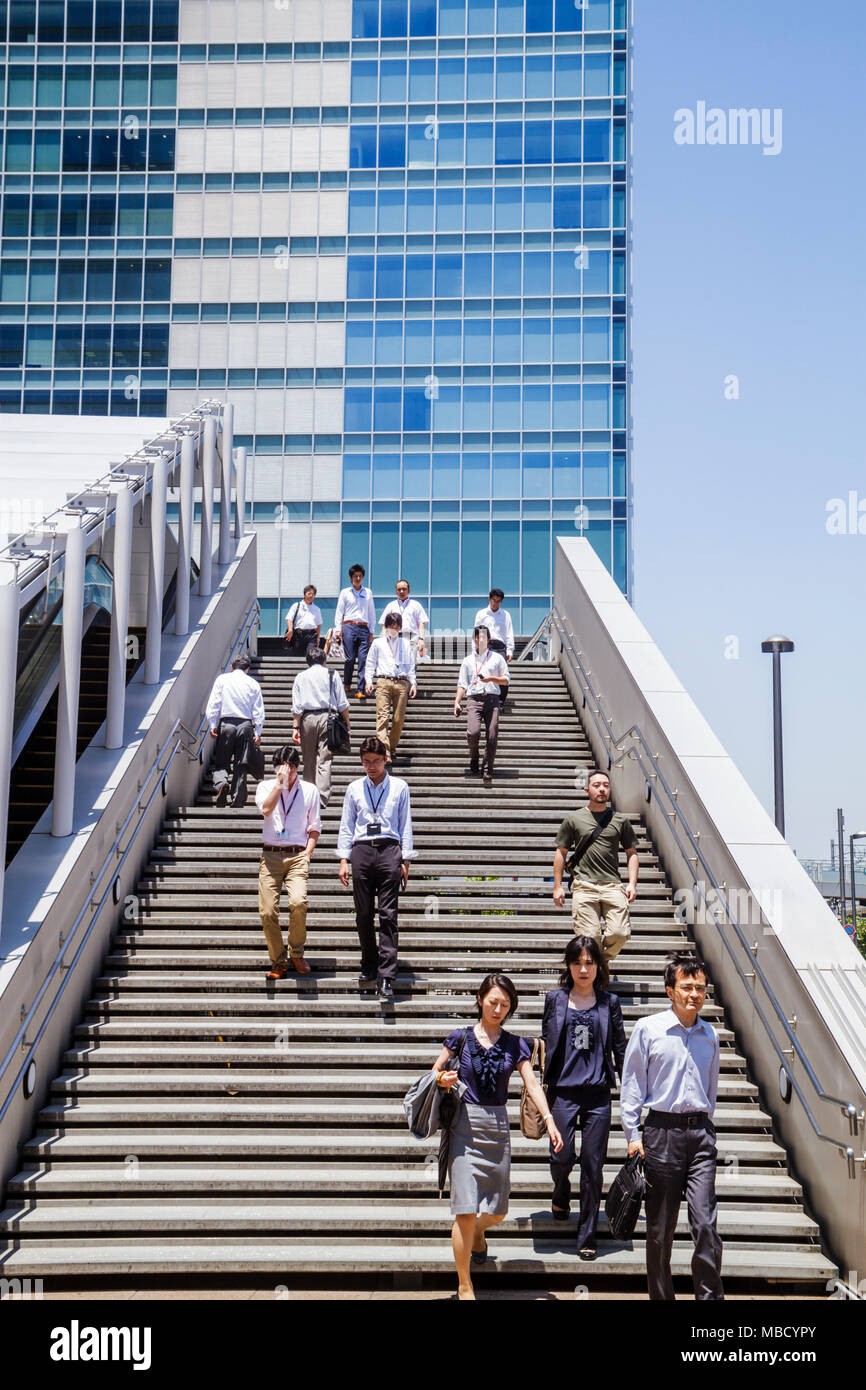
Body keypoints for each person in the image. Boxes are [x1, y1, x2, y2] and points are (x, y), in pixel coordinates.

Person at [432, 974, 563, 1301]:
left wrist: (550, 1119)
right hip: (464, 1124)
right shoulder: (459, 1038)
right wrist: (444, 1079)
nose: (498, 1009)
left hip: (497, 1127)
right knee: (464, 1208)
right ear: (480, 1000)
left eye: (505, 1004)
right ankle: (465, 1285)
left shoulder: (515, 1043)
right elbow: (434, 1074)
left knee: (498, 1211)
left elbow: (532, 1084)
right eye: (493, 1002)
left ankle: (479, 1231)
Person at [620, 951, 723, 1301]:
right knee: (660, 1231)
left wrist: (707, 1128)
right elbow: (632, 1084)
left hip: (700, 1138)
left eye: (701, 988)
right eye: (687, 987)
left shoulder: (710, 1034)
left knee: (706, 1225)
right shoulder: (649, 1029)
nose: (694, 994)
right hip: (660, 1134)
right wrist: (633, 1136)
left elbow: (711, 1088)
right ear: (670, 990)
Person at [542, 936, 626, 1259]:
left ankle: (587, 1235)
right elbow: (548, 1043)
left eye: (590, 962)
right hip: (563, 1092)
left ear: (598, 967)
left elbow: (620, 1047)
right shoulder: (555, 999)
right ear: (569, 965)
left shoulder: (609, 1003)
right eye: (577, 962)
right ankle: (561, 1190)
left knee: (593, 1165)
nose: (583, 968)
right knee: (561, 1157)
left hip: (598, 1095)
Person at [337, 736, 416, 1000]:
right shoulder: (354, 788)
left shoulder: (399, 787)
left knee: (388, 915)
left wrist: (406, 860)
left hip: (389, 849)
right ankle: (368, 964)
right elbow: (347, 825)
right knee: (362, 914)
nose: (371, 766)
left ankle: (386, 976)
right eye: (366, 762)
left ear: (386, 759)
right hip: (361, 849)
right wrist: (343, 860)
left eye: (376, 761)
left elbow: (405, 825)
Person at [552, 769, 639, 961]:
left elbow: (631, 853)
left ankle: (599, 964)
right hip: (584, 886)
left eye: (606, 786)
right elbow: (561, 852)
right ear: (586, 790)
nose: (602, 789)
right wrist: (557, 886)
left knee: (620, 933)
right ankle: (597, 971)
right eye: (596, 785)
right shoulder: (573, 819)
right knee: (589, 938)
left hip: (613, 886)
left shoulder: (620, 820)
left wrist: (632, 883)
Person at [255, 745, 321, 979]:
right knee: (267, 912)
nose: (286, 772)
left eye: (291, 768)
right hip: (271, 854)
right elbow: (266, 809)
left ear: (298, 767)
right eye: (281, 768)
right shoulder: (265, 786)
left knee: (298, 902)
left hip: (297, 855)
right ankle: (278, 960)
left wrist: (307, 854)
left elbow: (314, 827)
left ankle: (297, 952)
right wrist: (278, 784)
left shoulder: (310, 790)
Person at [291, 644, 350, 808]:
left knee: (308, 759)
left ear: (308, 661)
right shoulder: (332, 674)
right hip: (328, 718)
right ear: (324, 660)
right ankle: (322, 798)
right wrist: (347, 724)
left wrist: (295, 727)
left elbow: (297, 706)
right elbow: (342, 703)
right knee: (325, 759)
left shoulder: (300, 676)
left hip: (307, 718)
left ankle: (308, 797)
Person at [206, 654, 264, 808]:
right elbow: (258, 710)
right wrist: (258, 732)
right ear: (248, 669)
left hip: (226, 725)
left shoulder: (222, 680)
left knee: (221, 762)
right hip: (245, 725)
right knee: (241, 763)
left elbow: (214, 703)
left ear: (231, 667)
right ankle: (237, 799)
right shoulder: (252, 683)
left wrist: (213, 724)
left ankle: (221, 783)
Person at [454, 627, 509, 784]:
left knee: (492, 735)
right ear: (475, 639)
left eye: (485, 637)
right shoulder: (467, 661)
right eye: (479, 637)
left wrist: (491, 678)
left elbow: (506, 680)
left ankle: (487, 768)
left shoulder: (498, 658)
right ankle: (474, 757)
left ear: (489, 639)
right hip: (474, 699)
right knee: (473, 733)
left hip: (492, 699)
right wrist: (457, 702)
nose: (482, 640)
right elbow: (462, 684)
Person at [365, 611, 417, 763]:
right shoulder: (378, 643)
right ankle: (385, 751)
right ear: (386, 627)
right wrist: (369, 681)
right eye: (391, 626)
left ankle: (391, 746)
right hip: (383, 681)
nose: (393, 629)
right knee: (382, 718)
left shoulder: (405, 643)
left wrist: (413, 683)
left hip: (401, 682)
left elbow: (410, 665)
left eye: (396, 626)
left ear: (400, 628)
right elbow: (370, 663)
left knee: (398, 719)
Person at [334, 563, 376, 699]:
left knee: (363, 659)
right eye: (355, 576)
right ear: (351, 578)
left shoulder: (368, 592)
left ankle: (360, 689)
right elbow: (339, 611)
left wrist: (371, 630)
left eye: (360, 576)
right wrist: (337, 629)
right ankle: (347, 682)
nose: (357, 578)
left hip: (364, 627)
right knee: (350, 658)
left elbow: (371, 612)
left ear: (362, 577)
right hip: (349, 626)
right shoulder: (345, 592)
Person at [473, 588, 514, 707]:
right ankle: (482, 698)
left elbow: (509, 633)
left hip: (501, 646)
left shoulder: (506, 615)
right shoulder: (481, 614)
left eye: (498, 601)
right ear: (489, 599)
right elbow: (476, 632)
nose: (495, 603)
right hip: (485, 645)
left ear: (501, 602)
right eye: (493, 600)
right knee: (484, 671)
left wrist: (510, 650)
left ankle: (501, 700)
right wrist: (475, 650)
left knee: (502, 673)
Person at [379, 579, 429, 664]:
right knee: (394, 662)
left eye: (404, 589)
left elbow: (421, 623)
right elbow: (384, 624)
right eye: (399, 589)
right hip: (394, 637)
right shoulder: (391, 605)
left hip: (412, 638)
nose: (401, 591)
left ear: (408, 590)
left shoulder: (416, 605)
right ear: (396, 591)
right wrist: (383, 639)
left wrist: (421, 639)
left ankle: (410, 677)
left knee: (410, 663)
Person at [284, 584, 322, 656]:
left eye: (313, 594)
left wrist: (318, 638)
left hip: (312, 635)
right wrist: (290, 630)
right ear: (304, 594)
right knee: (298, 656)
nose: (311, 596)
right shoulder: (296, 606)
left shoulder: (317, 609)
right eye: (309, 593)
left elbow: (318, 624)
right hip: (299, 635)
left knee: (311, 655)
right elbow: (289, 618)